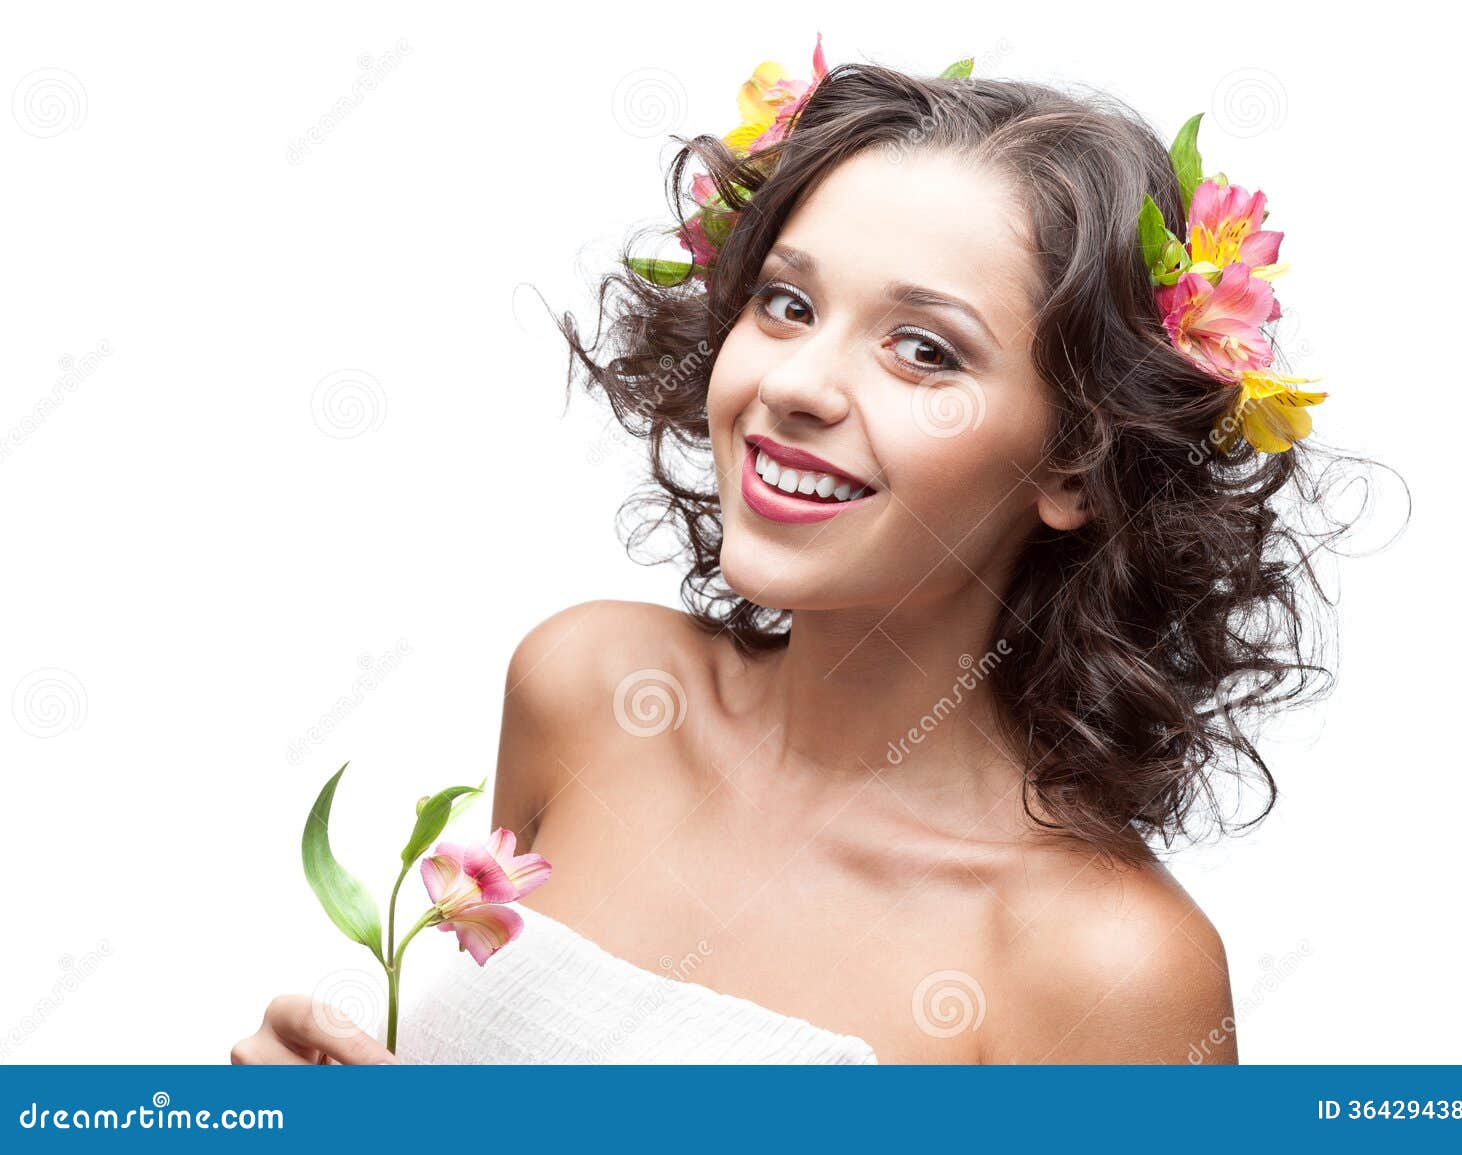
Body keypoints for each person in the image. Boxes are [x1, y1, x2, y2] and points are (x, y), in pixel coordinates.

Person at [235, 46, 1365, 1066]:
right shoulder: (585, 691)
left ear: (1074, 463)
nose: (794, 385)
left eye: (923, 350)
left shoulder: (1102, 967)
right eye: (785, 303)